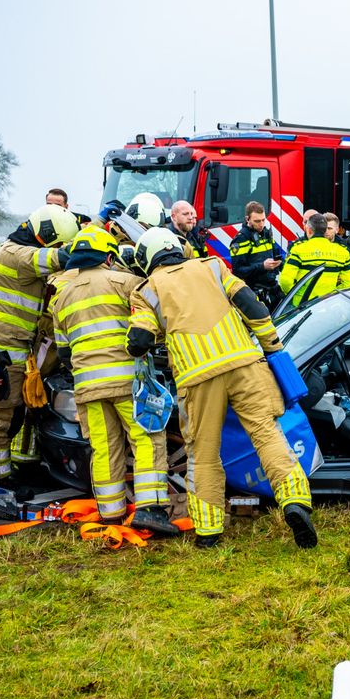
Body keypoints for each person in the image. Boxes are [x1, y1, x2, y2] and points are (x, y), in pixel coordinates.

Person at [126, 227, 317, 549]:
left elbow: (139, 341)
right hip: (245, 364)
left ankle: (209, 531)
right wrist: (272, 348)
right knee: (267, 434)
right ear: (176, 247)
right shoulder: (213, 267)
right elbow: (254, 308)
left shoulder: (146, 290)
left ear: (145, 260)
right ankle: (295, 500)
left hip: (198, 377)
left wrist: (151, 336)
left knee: (203, 454)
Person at [50, 226, 178, 534]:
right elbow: (151, 321)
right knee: (147, 438)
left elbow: (63, 349)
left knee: (104, 449)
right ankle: (150, 509)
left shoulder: (61, 296)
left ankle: (111, 514)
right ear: (109, 256)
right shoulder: (125, 281)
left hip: (87, 387)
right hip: (127, 385)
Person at [0, 205, 79, 484]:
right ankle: (2, 480)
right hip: (4, 350)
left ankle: (8, 472)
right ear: (46, 233)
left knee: (14, 412)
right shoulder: (15, 254)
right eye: (57, 241)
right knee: (2, 416)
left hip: (14, 348)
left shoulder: (17, 250)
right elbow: (58, 258)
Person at [279, 213, 350, 308]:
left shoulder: (298, 250)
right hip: (329, 305)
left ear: (309, 230)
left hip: (302, 306)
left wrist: (296, 295)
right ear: (324, 231)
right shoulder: (342, 252)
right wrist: (332, 295)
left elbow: (285, 281)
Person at [229, 201, 287, 310]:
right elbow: (238, 271)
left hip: (273, 289)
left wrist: (279, 263)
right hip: (254, 292)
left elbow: (277, 255)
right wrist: (262, 266)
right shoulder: (242, 239)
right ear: (247, 219)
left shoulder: (266, 234)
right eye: (257, 221)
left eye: (263, 220)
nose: (261, 224)